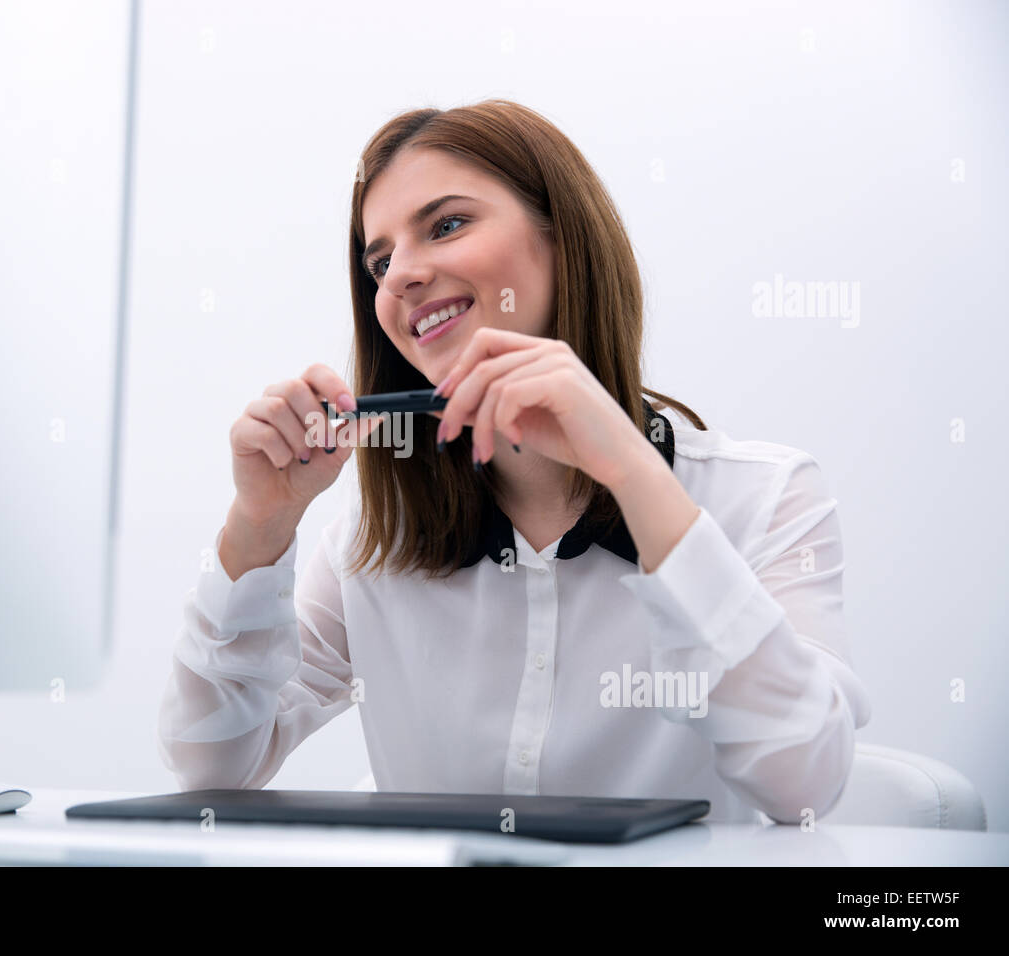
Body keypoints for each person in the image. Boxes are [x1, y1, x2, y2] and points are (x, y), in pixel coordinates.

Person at [157, 99, 871, 824]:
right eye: (379, 260)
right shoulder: (369, 540)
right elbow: (211, 769)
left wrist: (632, 474)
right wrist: (260, 523)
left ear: (562, 238)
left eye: (446, 225)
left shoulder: (767, 497)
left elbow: (803, 785)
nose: (399, 274)